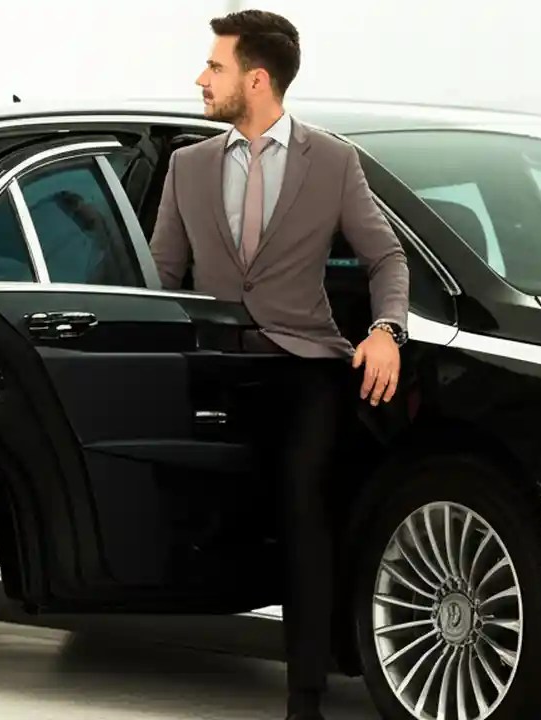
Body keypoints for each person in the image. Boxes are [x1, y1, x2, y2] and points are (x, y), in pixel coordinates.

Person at [149, 10, 409, 720]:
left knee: (303, 507)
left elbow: (386, 256)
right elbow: (161, 277)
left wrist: (385, 330)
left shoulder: (334, 162)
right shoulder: (187, 166)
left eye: (215, 67)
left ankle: (305, 697)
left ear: (257, 79)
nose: (201, 79)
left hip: (305, 366)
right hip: (218, 367)